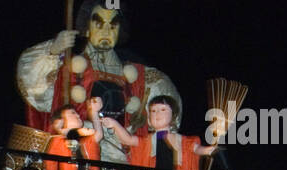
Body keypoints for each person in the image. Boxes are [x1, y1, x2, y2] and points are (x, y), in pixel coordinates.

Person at [16, 3, 180, 138]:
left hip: (121, 159)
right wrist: (53, 49)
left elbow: (168, 108)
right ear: (86, 28)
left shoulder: (140, 77)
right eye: (99, 23)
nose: (106, 31)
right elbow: (33, 83)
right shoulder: (66, 71)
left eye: (113, 25)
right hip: (81, 153)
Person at [126, 95, 219, 170]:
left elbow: (195, 149)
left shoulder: (182, 140)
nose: (157, 113)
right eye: (153, 111)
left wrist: (208, 150)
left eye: (163, 109)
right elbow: (128, 139)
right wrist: (114, 124)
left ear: (173, 115)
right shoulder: (146, 140)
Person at [44, 105, 100, 170]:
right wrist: (65, 130)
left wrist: (94, 112)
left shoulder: (87, 140)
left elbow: (98, 134)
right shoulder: (56, 141)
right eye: (73, 113)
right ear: (59, 122)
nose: (78, 115)